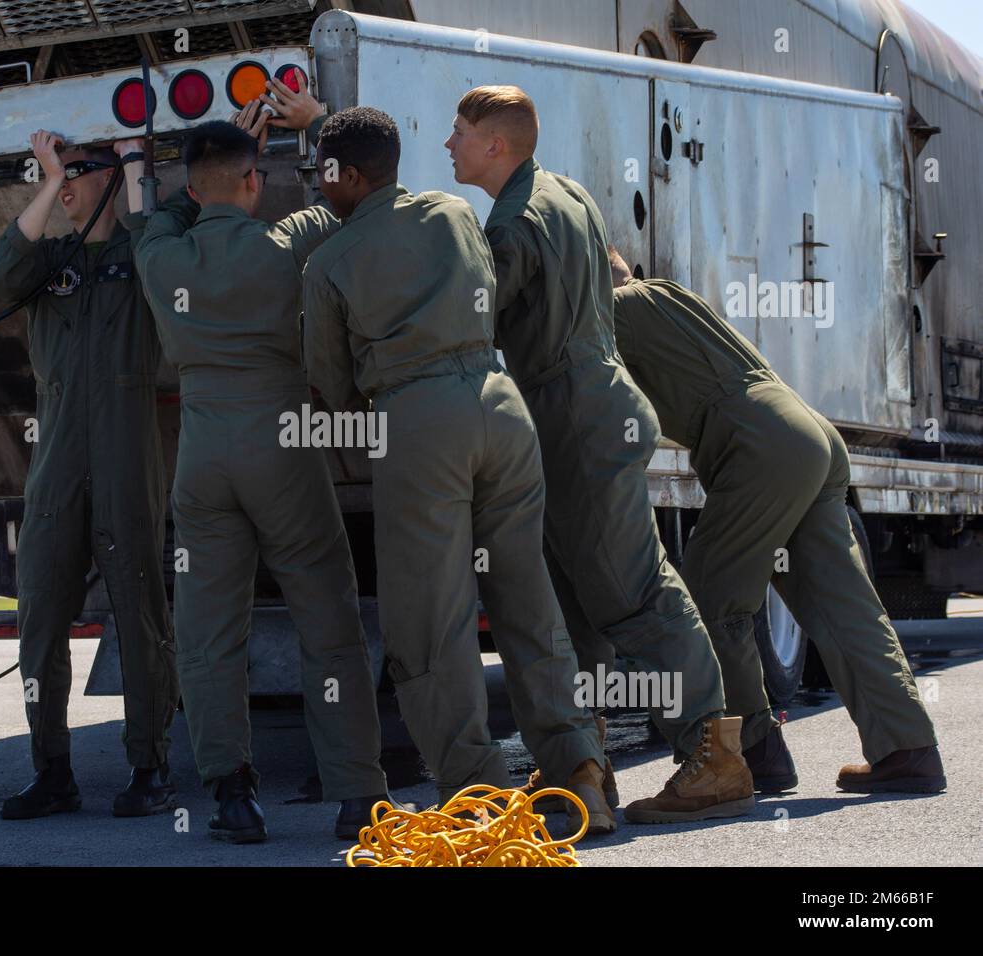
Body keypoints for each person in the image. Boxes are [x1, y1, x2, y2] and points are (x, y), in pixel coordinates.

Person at [446, 84, 753, 823]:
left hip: (575, 418)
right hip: (581, 412)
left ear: (495, 144)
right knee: (571, 608)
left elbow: (465, 319)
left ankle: (716, 758)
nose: (447, 144)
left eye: (458, 131)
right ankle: (581, 771)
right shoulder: (567, 192)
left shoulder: (514, 223)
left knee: (630, 593)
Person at [303, 106, 612, 834]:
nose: (319, 189)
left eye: (323, 174)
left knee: (432, 622)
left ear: (347, 175)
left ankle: (480, 795)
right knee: (529, 601)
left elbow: (335, 384)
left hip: (418, 422)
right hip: (501, 408)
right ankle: (579, 774)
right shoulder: (452, 210)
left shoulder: (329, 264)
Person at [133, 80, 398, 843]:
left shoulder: (159, 256)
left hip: (203, 454)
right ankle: (354, 792)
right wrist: (311, 133)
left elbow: (169, 214)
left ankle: (232, 796)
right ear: (256, 183)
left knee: (209, 629)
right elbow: (348, 199)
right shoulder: (288, 247)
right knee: (327, 615)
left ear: (191, 183)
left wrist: (209, 171)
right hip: (283, 445)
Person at [607, 248, 945, 794]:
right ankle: (908, 749)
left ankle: (755, 752)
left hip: (760, 445)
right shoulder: (668, 295)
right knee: (844, 604)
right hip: (806, 432)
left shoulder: (615, 311)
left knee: (714, 601)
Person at [0, 125, 178, 820]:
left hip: (127, 452)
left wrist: (132, 167)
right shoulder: (48, 261)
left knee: (139, 612)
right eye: (56, 174)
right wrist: (47, 181)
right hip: (58, 458)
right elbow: (1, 277)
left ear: (108, 176)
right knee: (38, 615)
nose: (65, 185)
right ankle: (52, 770)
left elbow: (164, 263)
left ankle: (149, 763)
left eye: (77, 172)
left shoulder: (141, 249)